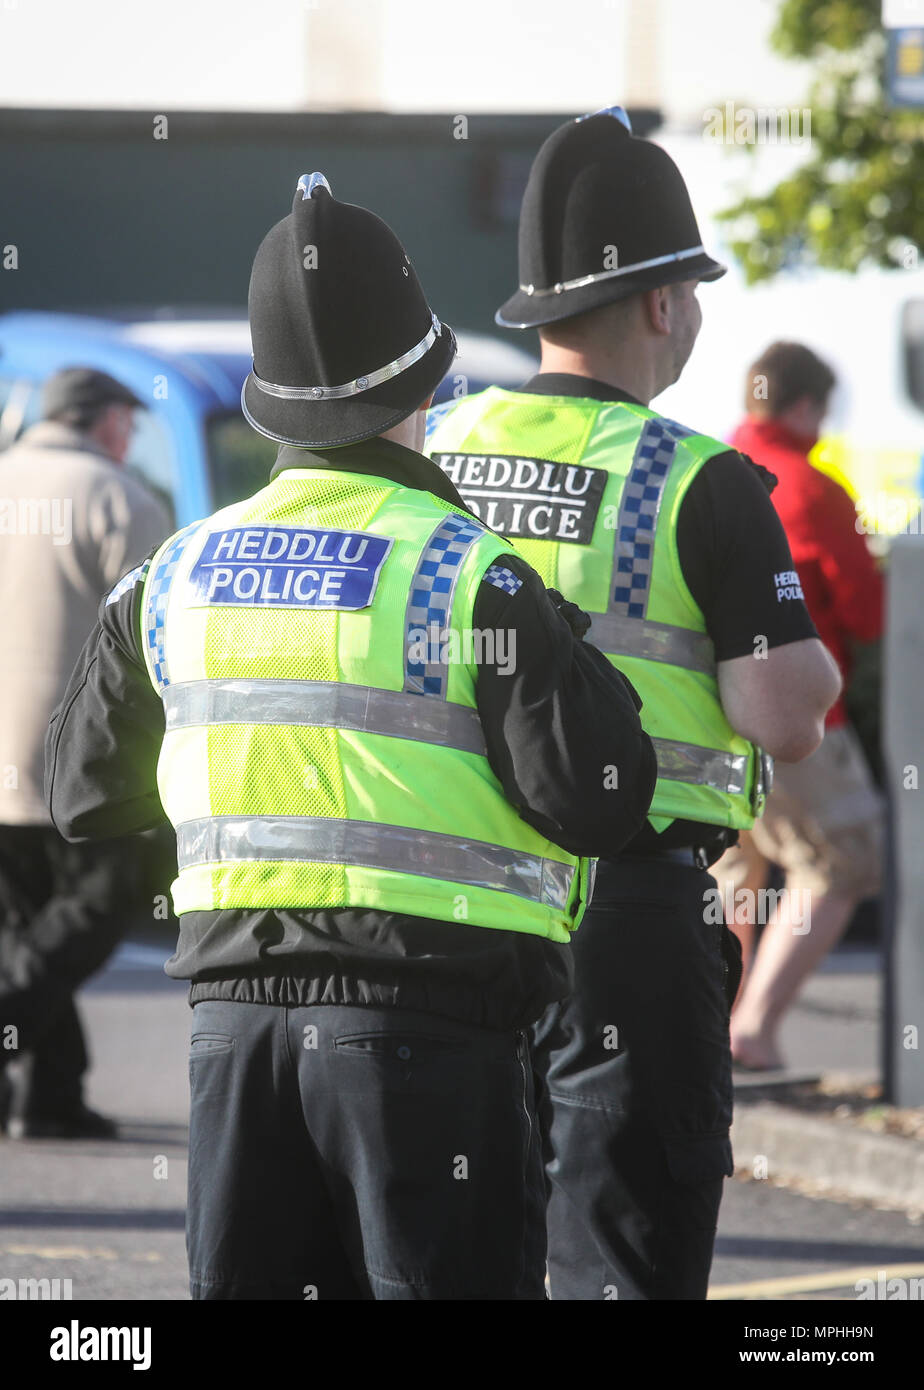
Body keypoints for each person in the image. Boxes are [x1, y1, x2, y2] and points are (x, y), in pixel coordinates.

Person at [45, 174, 656, 1299]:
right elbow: (601, 795)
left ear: (271, 403)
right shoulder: (467, 572)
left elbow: (82, 793)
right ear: (429, 380)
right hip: (428, 1045)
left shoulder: (174, 572)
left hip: (235, 1045)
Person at [427, 110, 842, 1300]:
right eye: (697, 287)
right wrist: (812, 672)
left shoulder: (438, 448)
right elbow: (782, 717)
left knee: (467, 1243)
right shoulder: (703, 481)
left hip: (461, 905)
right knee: (623, 1244)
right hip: (629, 919)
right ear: (663, 304)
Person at [0, 367, 170, 1139]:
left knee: (32, 920)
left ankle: (50, 1096)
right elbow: (150, 636)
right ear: (101, 422)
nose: (130, 440)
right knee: (91, 913)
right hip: (68, 757)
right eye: (128, 425)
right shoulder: (118, 498)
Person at [710, 342, 886, 1070]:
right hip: (802, 724)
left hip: (709, 717)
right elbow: (870, 614)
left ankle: (712, 1033)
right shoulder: (814, 490)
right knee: (847, 862)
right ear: (806, 406)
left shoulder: (710, 468)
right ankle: (751, 1029)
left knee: (734, 873)